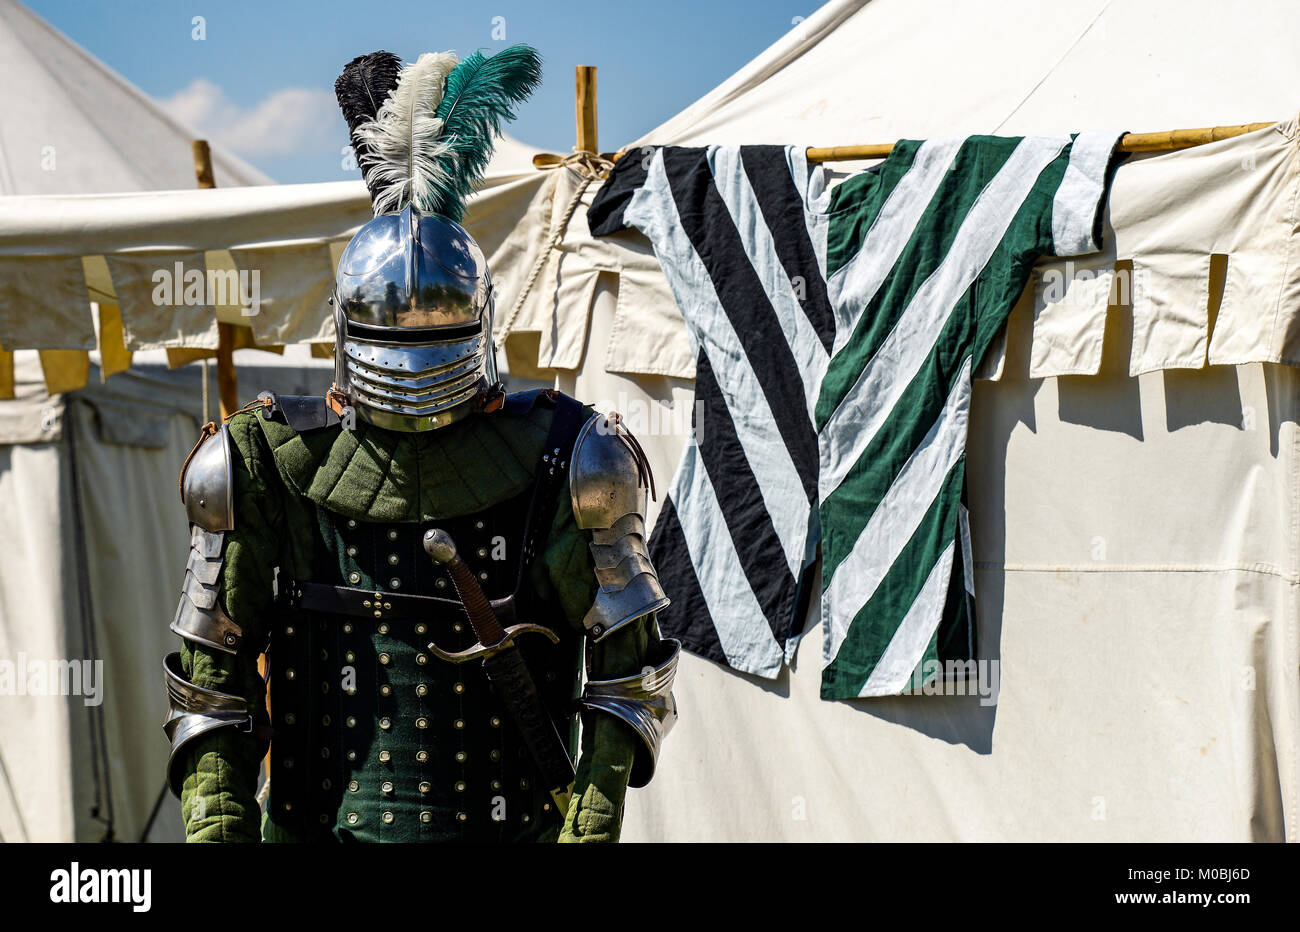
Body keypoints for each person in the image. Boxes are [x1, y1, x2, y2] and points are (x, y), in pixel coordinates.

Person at [161, 46, 679, 843]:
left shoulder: (575, 456)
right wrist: (218, 830)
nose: (412, 377)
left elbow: (629, 676)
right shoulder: (259, 461)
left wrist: (591, 827)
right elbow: (212, 686)